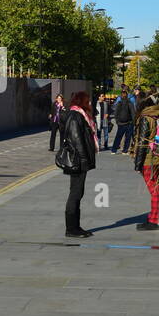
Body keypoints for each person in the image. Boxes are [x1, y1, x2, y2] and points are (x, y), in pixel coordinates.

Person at [131, 92, 159, 230]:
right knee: (156, 188)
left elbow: (142, 142)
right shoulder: (157, 116)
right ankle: (153, 217)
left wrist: (138, 164)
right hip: (158, 158)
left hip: (149, 159)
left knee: (154, 190)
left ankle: (153, 221)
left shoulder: (145, 119)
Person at [58, 90, 97, 237]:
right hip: (77, 161)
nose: (90, 104)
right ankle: (71, 229)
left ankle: (76, 226)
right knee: (75, 193)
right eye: (88, 101)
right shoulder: (75, 116)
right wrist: (85, 160)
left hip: (79, 160)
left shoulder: (80, 115)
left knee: (78, 193)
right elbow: (77, 140)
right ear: (82, 102)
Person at [110, 84, 136, 154]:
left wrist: (117, 121)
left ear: (121, 96)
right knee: (128, 138)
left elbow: (116, 113)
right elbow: (133, 112)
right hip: (129, 122)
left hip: (121, 123)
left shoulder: (119, 103)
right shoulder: (130, 102)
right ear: (127, 95)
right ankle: (125, 150)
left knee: (118, 137)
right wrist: (133, 121)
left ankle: (113, 150)